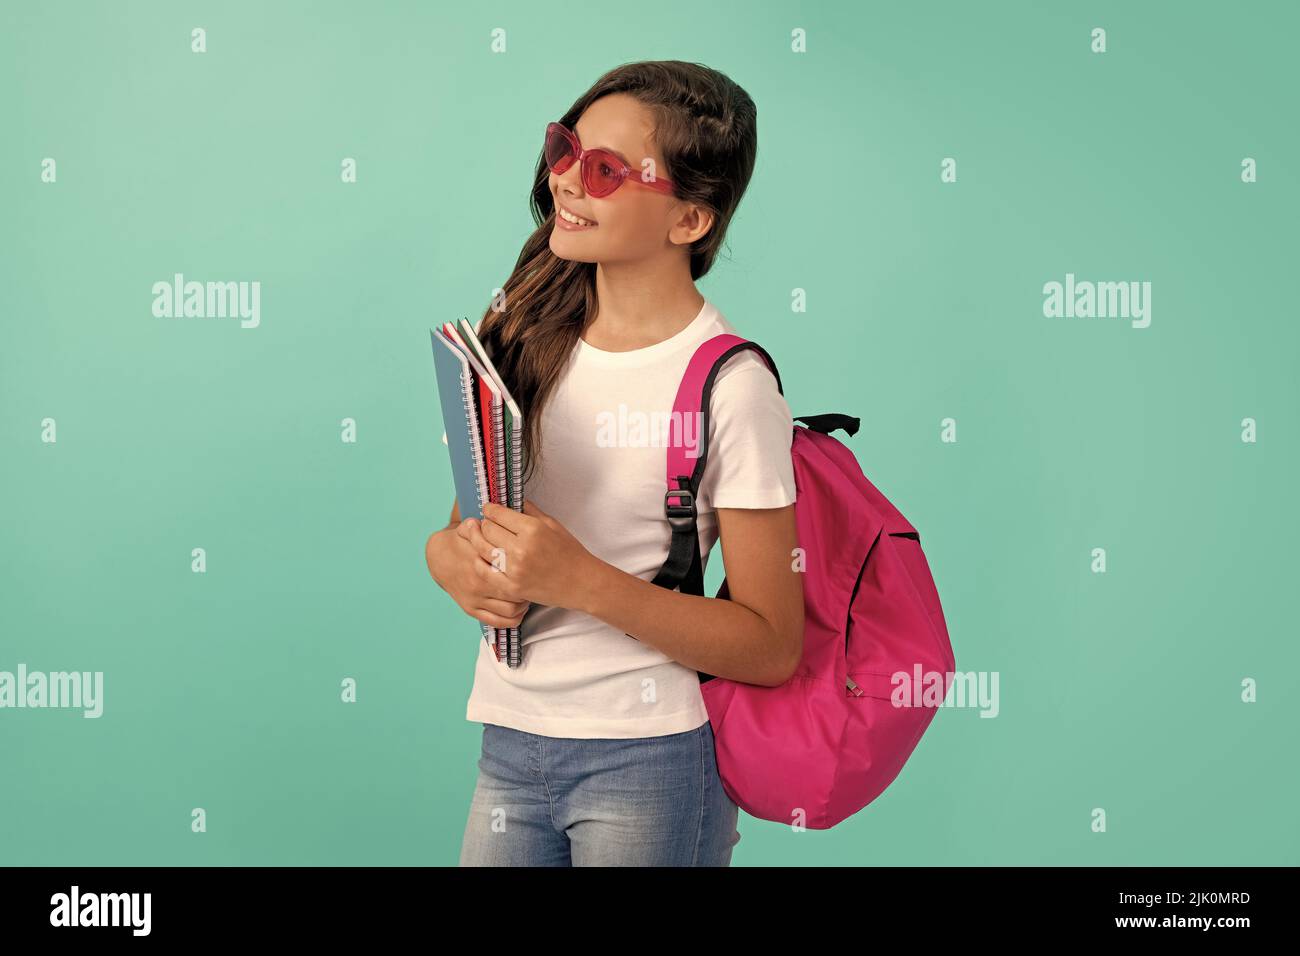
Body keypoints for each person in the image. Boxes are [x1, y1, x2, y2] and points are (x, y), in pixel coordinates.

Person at [425, 60, 803, 866]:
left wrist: (579, 580)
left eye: (604, 170)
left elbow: (772, 644)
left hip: (650, 759)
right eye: (565, 149)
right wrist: (447, 559)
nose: (567, 181)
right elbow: (468, 522)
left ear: (689, 220)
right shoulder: (524, 327)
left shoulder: (731, 387)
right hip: (509, 738)